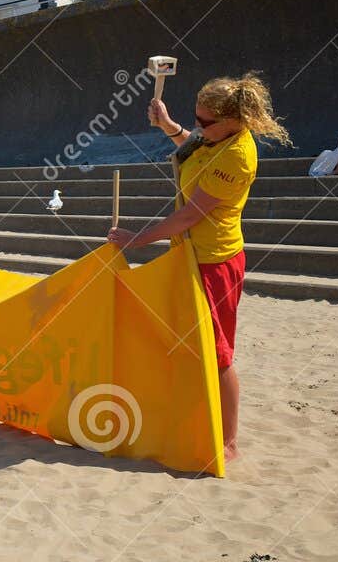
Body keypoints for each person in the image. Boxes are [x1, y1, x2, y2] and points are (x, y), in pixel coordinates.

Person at [107, 72, 292, 463]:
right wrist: (169, 125)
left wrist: (136, 239)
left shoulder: (238, 154)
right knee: (188, 344)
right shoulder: (214, 137)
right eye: (196, 118)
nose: (198, 127)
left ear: (233, 122)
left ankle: (228, 443)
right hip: (190, 256)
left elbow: (191, 215)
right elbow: (193, 145)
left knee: (219, 353)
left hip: (215, 261)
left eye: (205, 121)